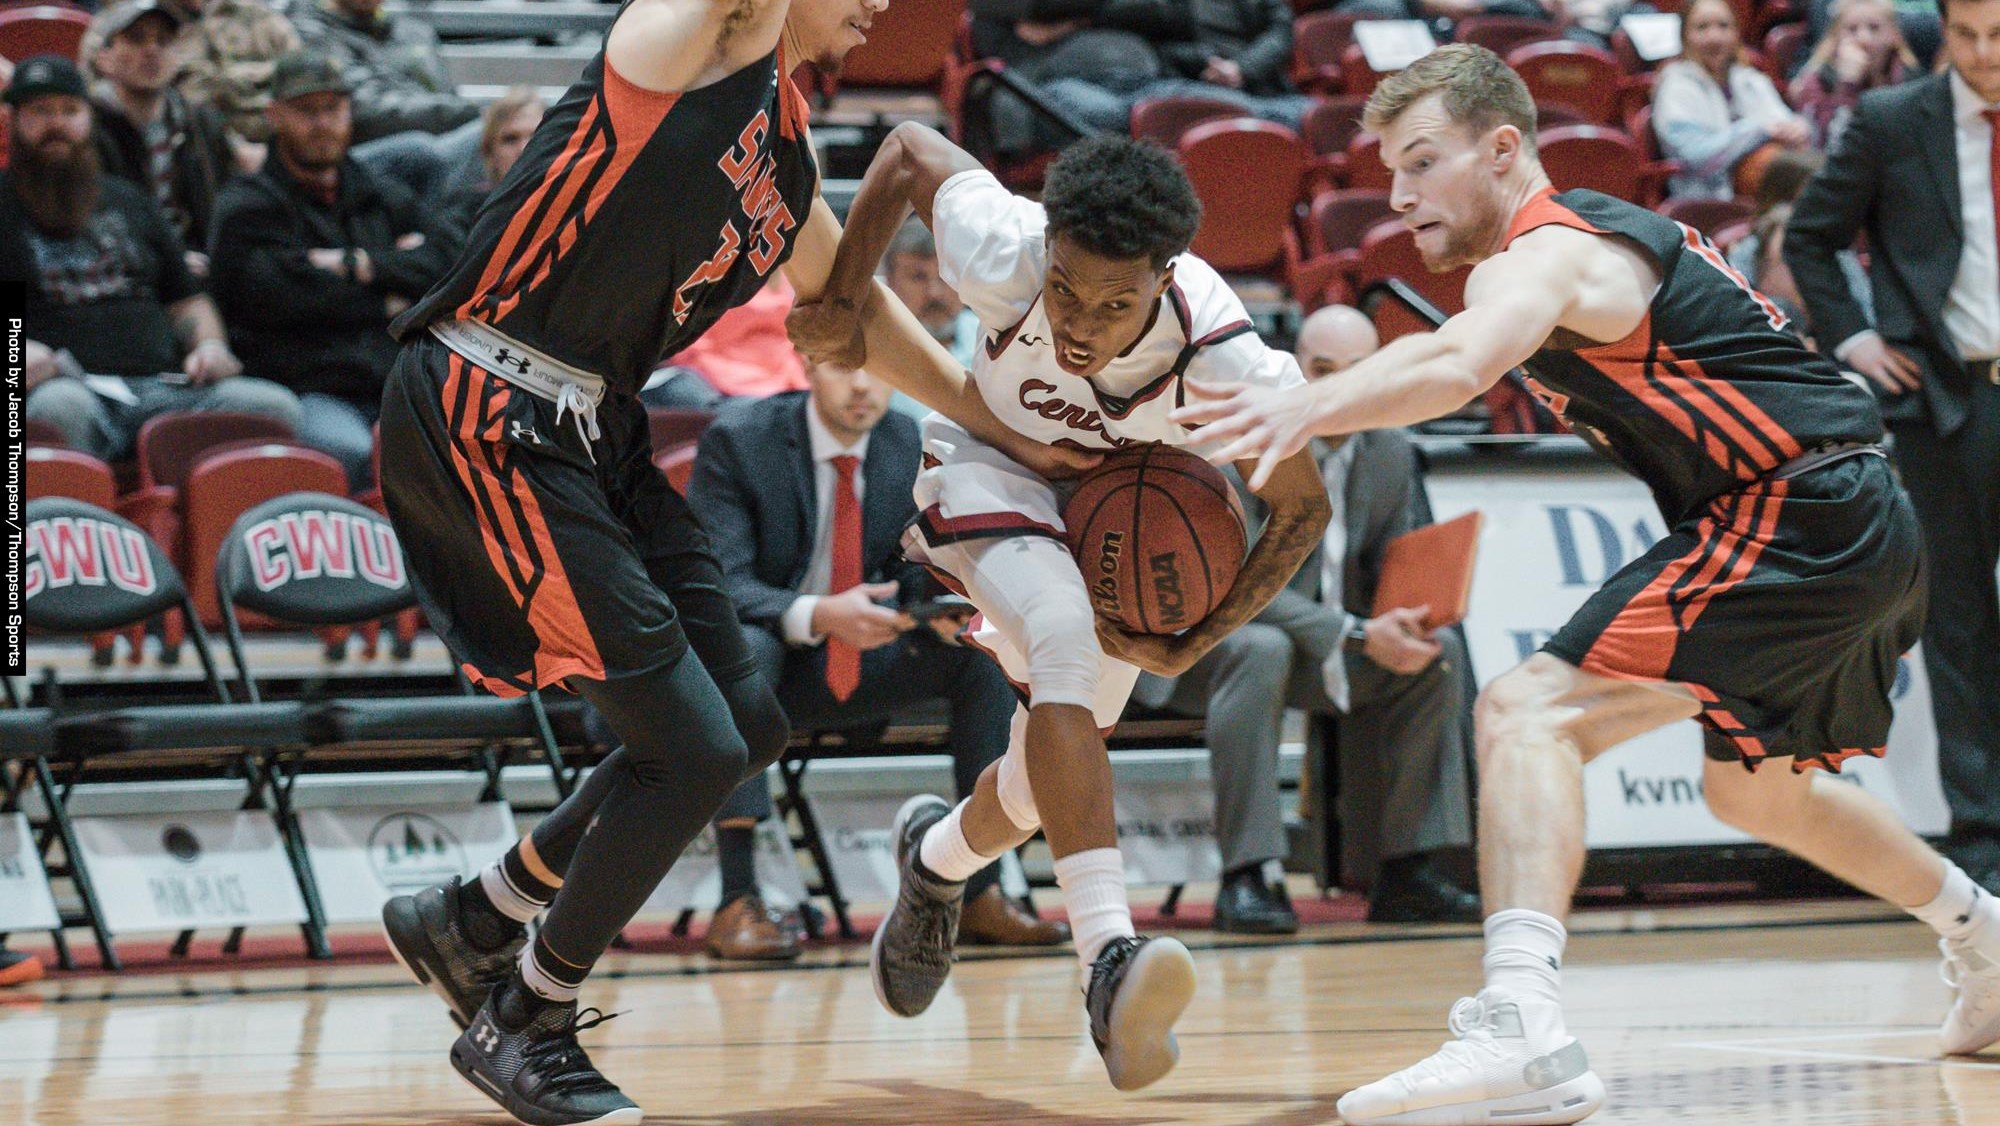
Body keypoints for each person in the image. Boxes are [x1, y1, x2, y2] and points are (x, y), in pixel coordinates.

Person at [1174, 44, 2000, 1125]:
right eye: (1388, 171)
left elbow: (1453, 365)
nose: (1399, 193)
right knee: (1750, 790)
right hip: (1846, 510)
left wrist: (1300, 407)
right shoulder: (1588, 242)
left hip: (1796, 507)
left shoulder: (1546, 253)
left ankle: (1519, 1023)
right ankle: (1981, 933)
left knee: (1523, 711)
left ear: (1503, 147)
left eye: (1422, 161)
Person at [372, 1, 1093, 1122]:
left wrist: (999, 433)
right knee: (691, 745)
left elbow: (848, 317)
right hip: (490, 400)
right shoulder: (689, 45)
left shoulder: (785, 150)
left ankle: (476, 915)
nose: (877, 10)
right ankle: (524, 1018)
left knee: (744, 725)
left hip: (595, 425)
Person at [789, 122, 1331, 1092]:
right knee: (1063, 637)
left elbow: (1300, 506)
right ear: (1046, 255)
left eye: (1113, 303)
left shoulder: (1227, 366)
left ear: (1164, 283)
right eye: (1066, 290)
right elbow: (911, 149)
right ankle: (1107, 960)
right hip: (984, 462)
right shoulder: (1006, 244)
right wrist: (840, 298)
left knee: (1040, 781)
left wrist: (1195, 637)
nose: (1078, 322)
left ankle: (938, 857)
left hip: (1116, 516)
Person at [686, 358, 1070, 959]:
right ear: (809, 362)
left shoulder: (902, 440)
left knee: (983, 652)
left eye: (874, 368)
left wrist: (932, 611)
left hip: (858, 660)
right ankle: (737, 897)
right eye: (844, 366)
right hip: (760, 670)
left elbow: (909, 568)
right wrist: (819, 613)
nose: (863, 385)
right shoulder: (741, 440)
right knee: (745, 649)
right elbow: (716, 585)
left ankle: (982, 890)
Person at [1132, 304, 1480, 932]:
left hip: (1323, 649)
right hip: (1207, 646)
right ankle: (1250, 874)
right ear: (1292, 369)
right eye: (1322, 369)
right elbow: (1234, 579)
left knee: (1439, 654)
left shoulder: (1391, 449)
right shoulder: (1244, 439)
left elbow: (1393, 566)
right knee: (1263, 647)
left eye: (1358, 370)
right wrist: (1352, 633)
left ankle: (1407, 870)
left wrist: (1404, 622)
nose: (1339, 385)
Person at [1786, 0, 2000, 897]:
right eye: (1969, 37)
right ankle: (1985, 838)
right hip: (1947, 402)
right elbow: (1810, 238)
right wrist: (1856, 340)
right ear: (1940, 34)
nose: (1986, 55)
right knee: (1958, 626)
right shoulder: (1890, 120)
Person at [4, 55, 298, 461]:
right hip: (65, 387)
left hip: (165, 386)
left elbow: (187, 300)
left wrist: (210, 345)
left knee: (273, 407)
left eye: (69, 110)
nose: (57, 123)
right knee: (60, 409)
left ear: (89, 118)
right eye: (40, 111)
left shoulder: (129, 199)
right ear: (14, 121)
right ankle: (75, 523)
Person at [208, 50, 463, 488]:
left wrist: (358, 263)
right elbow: (278, 298)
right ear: (274, 115)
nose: (323, 122)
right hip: (305, 388)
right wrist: (393, 294)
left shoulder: (376, 191)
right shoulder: (247, 204)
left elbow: (453, 261)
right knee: (354, 454)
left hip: (394, 385)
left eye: (333, 108)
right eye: (307, 111)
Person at [88, 0, 236, 259]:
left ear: (177, 57)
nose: (152, 50)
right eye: (136, 39)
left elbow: (225, 210)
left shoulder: (202, 124)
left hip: (201, 261)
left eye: (164, 41)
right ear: (104, 58)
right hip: (120, 265)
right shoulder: (87, 127)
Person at [289, 0, 481, 197]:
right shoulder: (310, 30)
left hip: (436, 145)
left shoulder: (415, 32)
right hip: (359, 153)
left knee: (497, 136)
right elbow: (367, 111)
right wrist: (468, 110)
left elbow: (447, 96)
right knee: (425, 149)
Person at [1653, 0, 1811, 200]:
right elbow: (1696, 157)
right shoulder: (1675, 86)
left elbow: (1784, 122)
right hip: (1706, 200)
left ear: (1737, 33)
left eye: (1723, 26)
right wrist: (1758, 130)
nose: (1714, 37)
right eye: (1702, 27)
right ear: (1684, 37)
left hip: (1763, 194)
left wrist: (1799, 129)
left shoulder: (1750, 79)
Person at [1790, 0, 1915, 148]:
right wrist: (1848, 86)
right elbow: (1831, 146)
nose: (1863, 39)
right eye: (1852, 29)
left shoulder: (1911, 79)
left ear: (1893, 35)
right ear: (1835, 38)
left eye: (1874, 28)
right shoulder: (1817, 81)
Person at [441, 86, 545, 227]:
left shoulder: (575, 211)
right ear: (490, 152)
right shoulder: (464, 217)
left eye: (535, 136)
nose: (524, 149)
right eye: (510, 139)